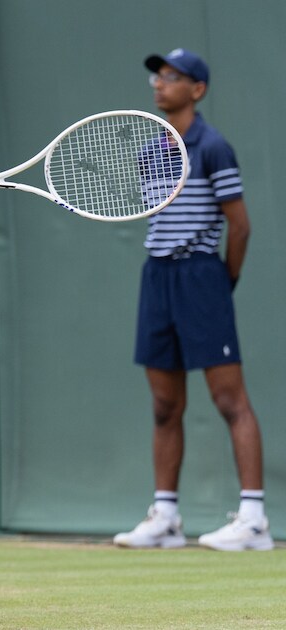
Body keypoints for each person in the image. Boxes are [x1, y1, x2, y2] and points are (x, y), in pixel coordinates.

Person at [113, 49, 270, 552]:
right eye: (157, 76)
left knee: (229, 400)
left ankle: (253, 521)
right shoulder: (151, 151)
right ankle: (166, 518)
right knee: (163, 404)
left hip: (201, 276)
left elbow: (239, 225)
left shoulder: (213, 146)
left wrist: (221, 280)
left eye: (173, 77)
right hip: (157, 277)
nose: (159, 84)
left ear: (197, 89)